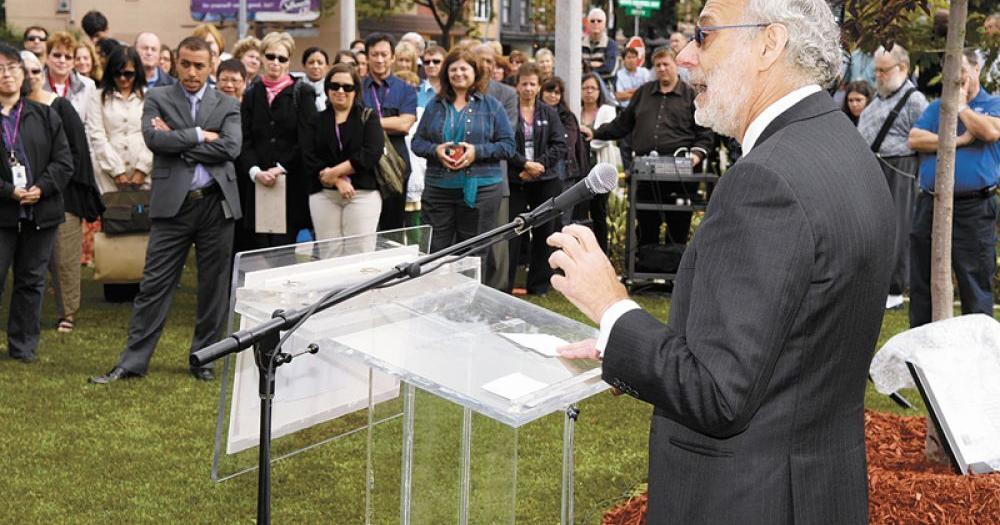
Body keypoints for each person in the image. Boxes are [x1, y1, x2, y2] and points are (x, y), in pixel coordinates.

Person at [549, 0, 895, 522]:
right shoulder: (840, 147)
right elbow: (784, 347)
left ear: (769, 43)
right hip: (816, 492)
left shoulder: (768, 179)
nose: (686, 58)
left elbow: (718, 395)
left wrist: (612, 307)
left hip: (749, 499)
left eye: (705, 36)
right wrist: (625, 347)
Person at [90, 36, 242, 384]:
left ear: (211, 67)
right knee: (154, 285)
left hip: (217, 205)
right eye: (185, 64)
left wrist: (181, 139)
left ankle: (204, 356)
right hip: (172, 207)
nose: (191, 72)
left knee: (214, 287)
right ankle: (133, 362)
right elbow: (154, 140)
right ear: (175, 63)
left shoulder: (227, 103)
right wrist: (203, 136)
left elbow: (231, 148)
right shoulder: (158, 97)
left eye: (199, 65)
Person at [584, 46, 712, 248]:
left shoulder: (690, 95)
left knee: (677, 228)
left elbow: (704, 134)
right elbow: (622, 124)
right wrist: (595, 132)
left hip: (680, 176)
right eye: (657, 65)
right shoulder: (644, 93)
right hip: (646, 174)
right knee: (646, 227)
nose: (661, 69)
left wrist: (695, 155)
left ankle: (673, 276)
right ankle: (646, 272)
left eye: (666, 64)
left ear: (675, 66)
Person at [908, 49, 1000, 328]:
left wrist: (961, 107)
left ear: (976, 70)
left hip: (974, 207)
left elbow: (990, 132)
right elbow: (914, 139)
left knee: (974, 280)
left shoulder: (992, 103)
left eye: (960, 70)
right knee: (923, 277)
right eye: (949, 70)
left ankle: (980, 356)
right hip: (931, 203)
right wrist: (957, 140)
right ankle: (922, 347)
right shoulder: (937, 107)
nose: (955, 77)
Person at [0, 43, 74, 363]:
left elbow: (63, 162)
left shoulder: (45, 114)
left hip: (40, 212)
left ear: (24, 72)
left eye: (12, 67)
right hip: (3, 211)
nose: (7, 75)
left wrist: (40, 188)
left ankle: (23, 346)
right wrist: (8, 191)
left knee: (31, 281)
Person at [23, 50, 103, 334]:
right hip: (19, 196)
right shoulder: (11, 109)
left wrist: (51, 186)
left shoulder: (60, 107)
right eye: (25, 70)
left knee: (63, 257)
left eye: (35, 71)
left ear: (42, 73)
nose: (30, 77)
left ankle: (66, 313)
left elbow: (76, 155)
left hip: (62, 194)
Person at [412, 48, 515, 256]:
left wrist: (477, 152)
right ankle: (440, 289)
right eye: (453, 69)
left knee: (474, 254)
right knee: (435, 250)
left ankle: (471, 290)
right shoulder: (435, 106)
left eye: (464, 68)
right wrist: (436, 150)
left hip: (482, 191)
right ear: (446, 73)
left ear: (475, 72)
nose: (458, 73)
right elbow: (417, 143)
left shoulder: (492, 106)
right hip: (438, 190)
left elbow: (508, 146)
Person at [857, 45, 928, 310]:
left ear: (902, 68)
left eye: (884, 70)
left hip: (899, 167)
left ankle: (895, 288)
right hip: (873, 165)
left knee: (898, 225)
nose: (879, 75)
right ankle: (875, 282)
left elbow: (922, 137)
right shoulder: (880, 97)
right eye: (876, 70)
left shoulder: (915, 100)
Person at [237, 32, 316, 250]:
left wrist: (280, 168)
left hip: (290, 184)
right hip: (257, 182)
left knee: (284, 251)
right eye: (270, 56)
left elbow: (306, 139)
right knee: (258, 250)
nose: (275, 63)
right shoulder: (252, 93)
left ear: (289, 61)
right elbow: (245, 138)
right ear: (262, 57)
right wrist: (255, 171)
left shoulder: (303, 93)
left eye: (282, 58)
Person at [302, 63, 385, 241]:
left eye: (347, 87)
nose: (340, 90)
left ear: (356, 91)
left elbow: (371, 153)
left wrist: (334, 172)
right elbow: (308, 156)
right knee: (329, 253)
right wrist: (337, 181)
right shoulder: (315, 120)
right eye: (334, 86)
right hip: (324, 193)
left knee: (359, 254)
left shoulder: (368, 117)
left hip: (362, 193)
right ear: (327, 88)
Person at [506, 63, 567, 295]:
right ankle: (507, 282)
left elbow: (559, 145)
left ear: (539, 86)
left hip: (545, 179)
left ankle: (539, 284)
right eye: (524, 84)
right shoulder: (509, 111)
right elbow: (504, 142)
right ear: (517, 85)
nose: (528, 89)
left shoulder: (548, 112)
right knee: (513, 231)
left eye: (533, 84)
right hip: (517, 178)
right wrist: (523, 164)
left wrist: (539, 166)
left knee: (544, 232)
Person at [473, 43, 519, 291]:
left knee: (497, 244)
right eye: (479, 60)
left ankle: (497, 293)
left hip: (495, 179)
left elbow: (506, 136)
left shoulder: (507, 95)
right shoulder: (459, 93)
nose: (484, 66)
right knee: (469, 241)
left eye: (489, 61)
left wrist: (470, 144)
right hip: (462, 179)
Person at [363, 33, 418, 231]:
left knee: (392, 229)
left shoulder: (406, 89)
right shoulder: (356, 88)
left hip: (396, 166)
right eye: (374, 54)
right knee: (364, 228)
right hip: (364, 166)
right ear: (367, 57)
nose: (379, 59)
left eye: (384, 54)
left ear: (392, 57)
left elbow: (404, 124)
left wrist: (368, 121)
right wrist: (391, 122)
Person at [86, 46, 153, 195]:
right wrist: (116, 171)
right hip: (108, 175)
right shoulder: (97, 97)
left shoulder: (150, 97)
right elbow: (97, 135)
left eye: (128, 74)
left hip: (145, 175)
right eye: (117, 73)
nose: (123, 78)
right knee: (113, 215)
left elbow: (154, 134)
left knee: (143, 215)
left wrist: (142, 169)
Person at [579, 72, 618, 253]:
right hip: (579, 169)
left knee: (599, 214)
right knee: (579, 214)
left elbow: (604, 138)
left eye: (592, 88)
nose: (588, 92)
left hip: (599, 168)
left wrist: (586, 135)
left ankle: (602, 254)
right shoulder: (575, 108)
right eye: (585, 88)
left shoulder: (607, 110)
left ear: (599, 90)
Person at [541, 75, 589, 213]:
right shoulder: (537, 114)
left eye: (557, 93)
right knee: (546, 216)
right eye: (549, 91)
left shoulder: (568, 116)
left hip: (567, 170)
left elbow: (576, 146)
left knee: (565, 216)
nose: (553, 96)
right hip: (545, 170)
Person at [44, 32, 98, 121]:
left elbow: (91, 123)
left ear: (73, 62)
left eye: (68, 57)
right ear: (47, 58)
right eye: (57, 55)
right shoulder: (36, 84)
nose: (62, 60)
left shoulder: (88, 86)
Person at [582, 8, 618, 82]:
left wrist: (587, 66)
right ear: (587, 24)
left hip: (605, 87)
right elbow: (576, 69)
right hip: (583, 87)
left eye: (599, 21)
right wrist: (595, 64)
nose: (596, 23)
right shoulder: (580, 44)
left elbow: (609, 69)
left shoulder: (611, 45)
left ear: (604, 24)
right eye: (592, 21)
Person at [301, 47, 330, 112]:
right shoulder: (296, 89)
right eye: (311, 62)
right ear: (304, 65)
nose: (315, 66)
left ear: (327, 67)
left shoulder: (332, 89)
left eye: (320, 63)